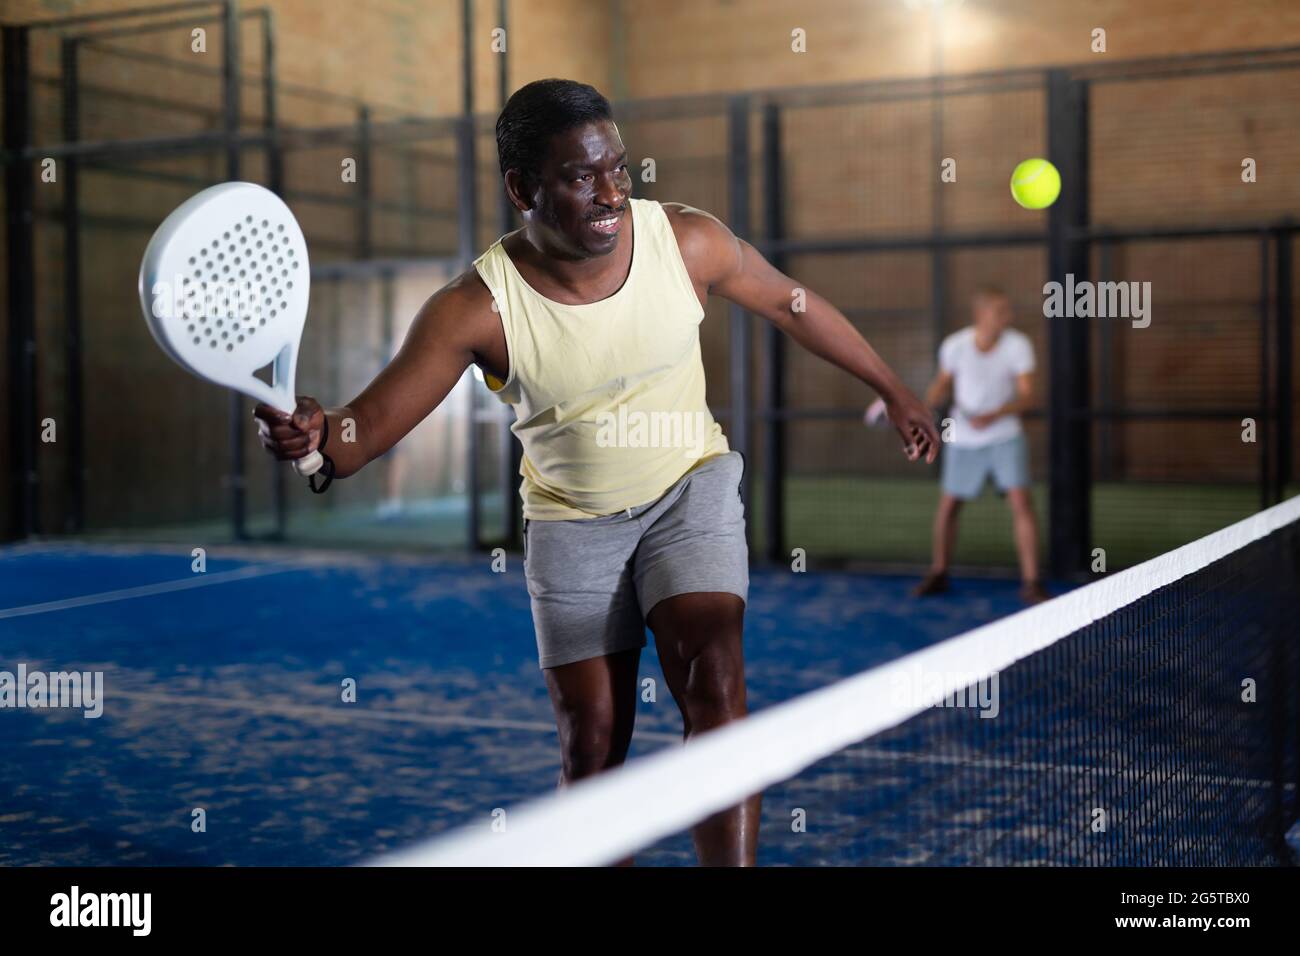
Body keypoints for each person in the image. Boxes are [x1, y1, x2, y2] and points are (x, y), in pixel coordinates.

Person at [254, 79, 938, 865]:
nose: (612, 191)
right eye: (583, 176)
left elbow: (791, 303)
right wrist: (311, 434)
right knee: (593, 747)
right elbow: (358, 433)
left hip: (690, 486)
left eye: (619, 168)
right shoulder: (475, 308)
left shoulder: (686, 241)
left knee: (714, 676)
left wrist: (892, 387)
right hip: (572, 521)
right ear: (523, 188)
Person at [913, 287, 1047, 604]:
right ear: (980, 315)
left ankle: (1031, 581)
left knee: (1021, 503)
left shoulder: (1018, 346)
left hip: (1005, 437)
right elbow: (941, 385)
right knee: (948, 506)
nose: (1007, 317)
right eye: (999, 311)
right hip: (963, 439)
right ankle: (939, 572)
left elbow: (1029, 396)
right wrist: (924, 406)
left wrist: (995, 414)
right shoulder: (955, 346)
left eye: (1007, 311)